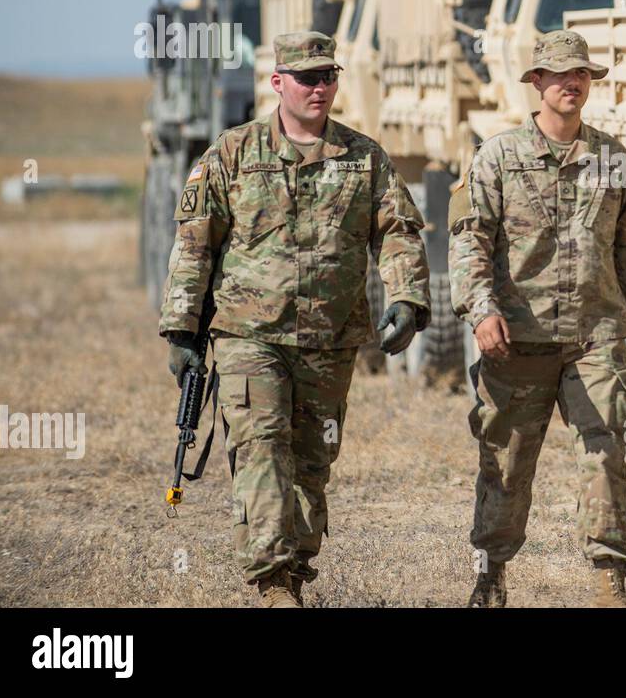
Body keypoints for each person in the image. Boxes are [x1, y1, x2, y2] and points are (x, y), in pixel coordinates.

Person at [159, 31, 431, 607]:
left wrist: (406, 299)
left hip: (328, 340)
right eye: (307, 78)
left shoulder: (365, 157)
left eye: (328, 76)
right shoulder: (232, 153)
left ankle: (296, 575)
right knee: (260, 446)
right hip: (247, 335)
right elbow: (194, 245)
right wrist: (182, 328)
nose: (319, 87)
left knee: (311, 464)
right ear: (277, 82)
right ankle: (271, 581)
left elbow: (399, 233)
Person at [449, 29, 626, 608]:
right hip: (515, 343)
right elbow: (469, 243)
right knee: (506, 459)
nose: (573, 84)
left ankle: (608, 575)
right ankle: (490, 570)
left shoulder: (614, 159)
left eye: (582, 75)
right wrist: (481, 311)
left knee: (605, 449)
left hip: (594, 338)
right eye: (560, 75)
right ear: (537, 83)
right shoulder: (497, 158)